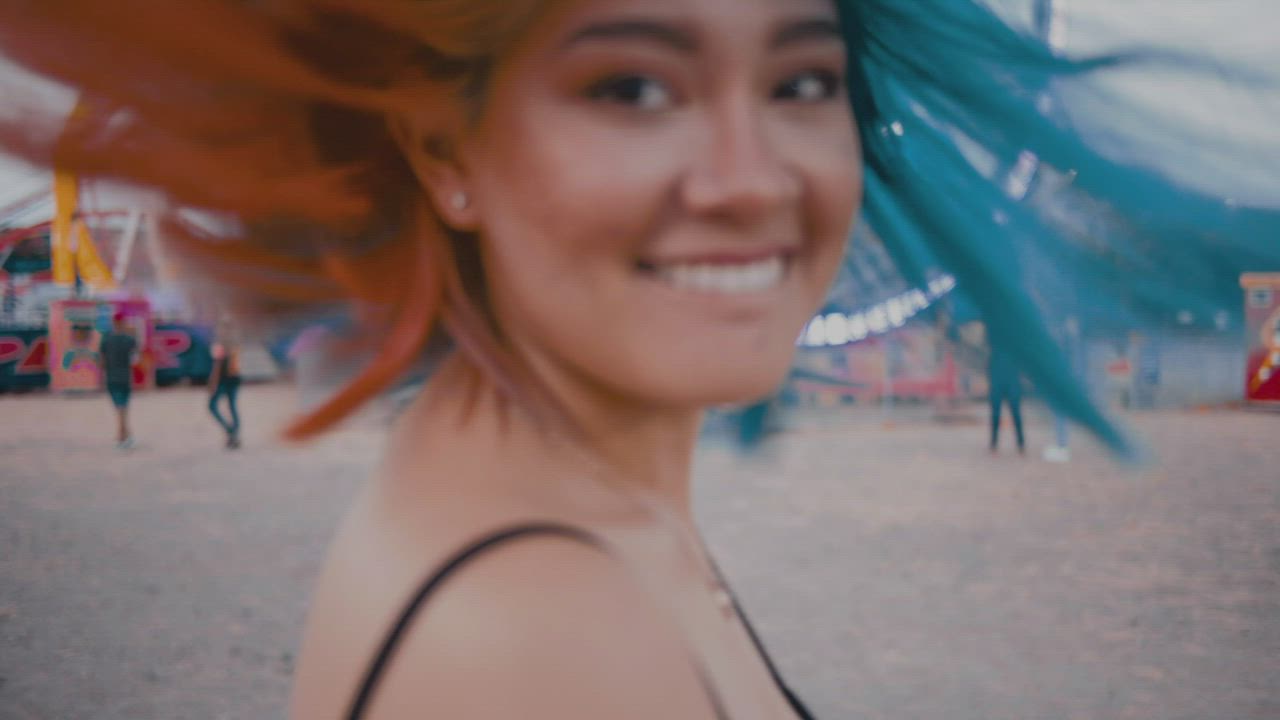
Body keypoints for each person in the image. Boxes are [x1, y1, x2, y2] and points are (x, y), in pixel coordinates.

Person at [2, 1, 1277, 718]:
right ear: (441, 153)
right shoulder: (538, 647)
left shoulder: (552, 508)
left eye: (798, 81)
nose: (748, 180)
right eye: (630, 88)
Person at [98, 311, 138, 450]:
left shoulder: (106, 340)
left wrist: (101, 378)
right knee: (123, 407)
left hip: (112, 377)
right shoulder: (129, 340)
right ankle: (125, 433)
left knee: (119, 407)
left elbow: (101, 362)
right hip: (125, 377)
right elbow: (135, 359)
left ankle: (121, 435)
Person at [208, 316, 243, 449]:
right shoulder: (236, 341)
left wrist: (213, 382)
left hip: (223, 378)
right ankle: (234, 434)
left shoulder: (220, 342)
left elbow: (217, 365)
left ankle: (230, 430)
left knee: (212, 406)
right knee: (232, 407)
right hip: (235, 377)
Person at [988, 343, 1025, 455]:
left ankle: (1021, 443)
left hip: (1011, 381)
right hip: (999, 381)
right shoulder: (997, 343)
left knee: (1016, 413)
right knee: (996, 414)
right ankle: (994, 444)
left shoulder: (1014, 344)